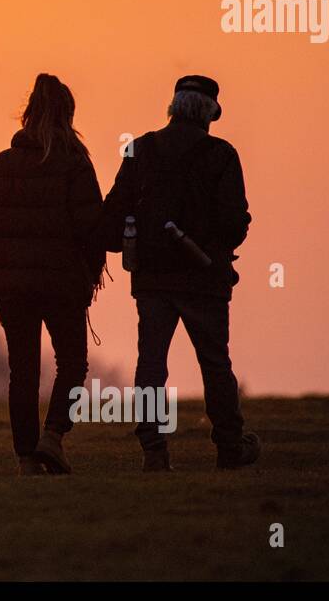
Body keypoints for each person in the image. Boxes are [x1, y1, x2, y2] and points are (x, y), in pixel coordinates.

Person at [101, 75, 260, 471]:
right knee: (215, 363)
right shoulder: (222, 154)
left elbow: (114, 212)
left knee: (151, 364)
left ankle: (153, 449)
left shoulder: (139, 149)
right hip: (205, 280)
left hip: (152, 279)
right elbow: (234, 223)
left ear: (174, 107)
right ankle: (229, 447)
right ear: (209, 113)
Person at [0, 74, 105, 474]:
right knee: (72, 363)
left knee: (22, 370)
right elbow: (92, 226)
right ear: (67, 116)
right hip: (63, 284)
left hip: (11, 288)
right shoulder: (75, 164)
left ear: (27, 116)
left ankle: (26, 458)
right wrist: (90, 274)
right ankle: (53, 436)